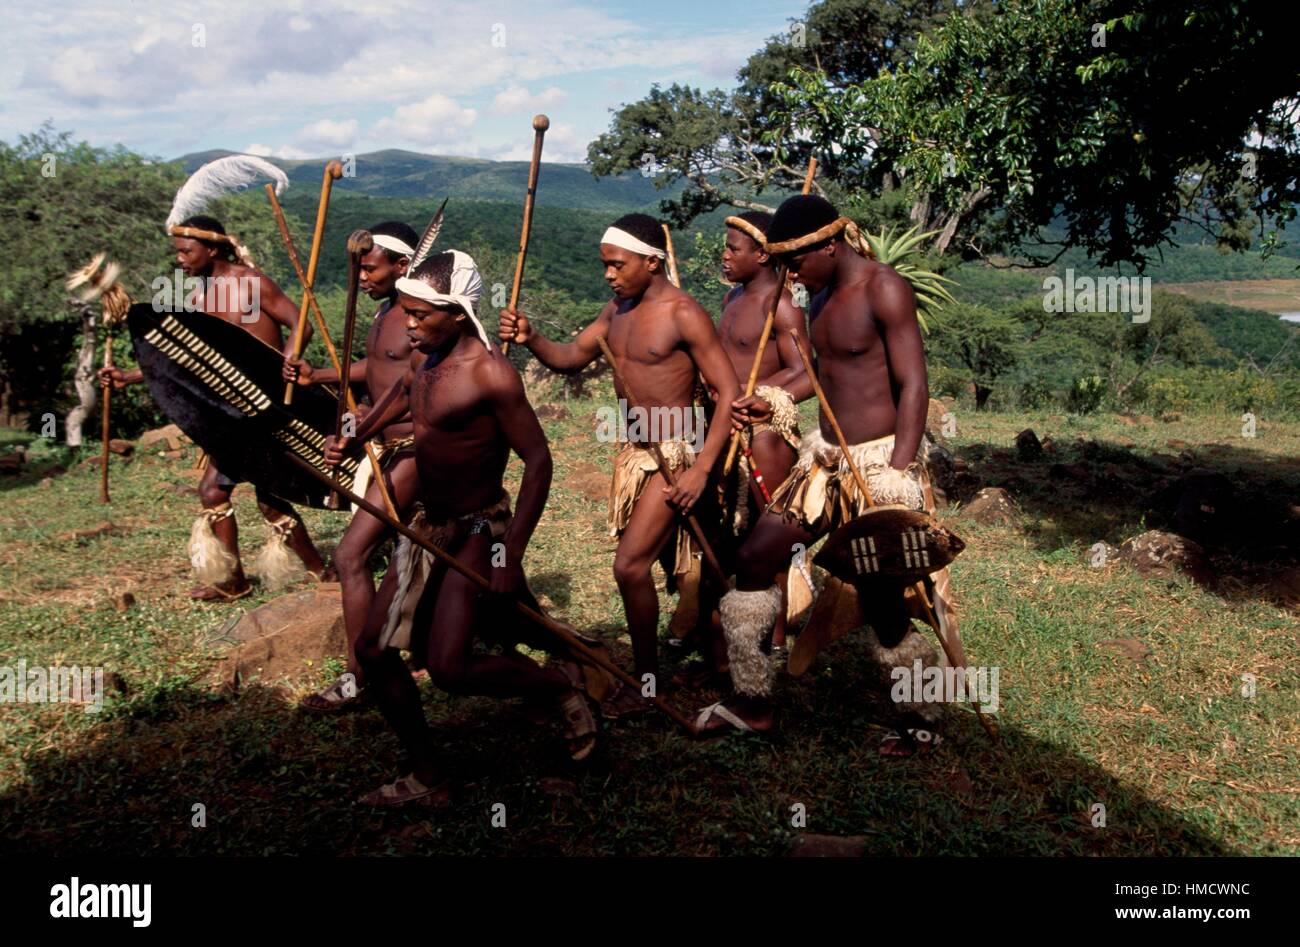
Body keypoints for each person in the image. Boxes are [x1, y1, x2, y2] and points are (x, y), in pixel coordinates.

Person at [326, 250, 597, 806]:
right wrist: (359, 435)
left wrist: (510, 554)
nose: (408, 324)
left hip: (479, 529)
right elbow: (405, 393)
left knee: (450, 668)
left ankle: (559, 686)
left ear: (456, 312)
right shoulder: (425, 356)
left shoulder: (489, 373)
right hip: (429, 526)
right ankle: (429, 777)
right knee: (375, 652)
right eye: (405, 311)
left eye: (420, 314)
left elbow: (539, 462)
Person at [697, 195, 954, 758]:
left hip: (881, 460)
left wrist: (898, 473)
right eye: (782, 263)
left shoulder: (883, 288)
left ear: (830, 244)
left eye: (796, 261)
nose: (789, 274)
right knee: (757, 557)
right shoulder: (816, 295)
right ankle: (753, 702)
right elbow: (817, 376)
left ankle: (920, 716)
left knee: (883, 598)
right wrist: (772, 402)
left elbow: (914, 383)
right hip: (825, 458)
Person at [498, 213, 740, 718]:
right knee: (662, 567)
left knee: (629, 566)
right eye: (605, 265)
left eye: (617, 264)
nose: (608, 274)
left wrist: (701, 469)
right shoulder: (616, 311)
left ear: (652, 262)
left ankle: (648, 683)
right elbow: (568, 358)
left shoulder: (683, 313)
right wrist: (531, 336)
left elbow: (729, 392)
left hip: (677, 453)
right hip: (635, 456)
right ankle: (710, 658)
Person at [101, 214, 332, 600]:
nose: (179, 259)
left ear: (211, 249)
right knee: (243, 495)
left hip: (266, 408)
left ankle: (290, 575)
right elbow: (195, 366)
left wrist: (288, 365)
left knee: (239, 493)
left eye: (186, 250)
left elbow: (301, 324)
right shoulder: (199, 298)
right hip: (230, 415)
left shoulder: (250, 282)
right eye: (177, 251)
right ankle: (271, 576)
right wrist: (127, 376)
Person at [283, 221, 423, 712]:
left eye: (370, 267)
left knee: (349, 558)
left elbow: (416, 384)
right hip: (384, 447)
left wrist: (358, 429)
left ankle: (359, 675)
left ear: (402, 265)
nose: (362, 277)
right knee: (421, 552)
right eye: (360, 269)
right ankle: (421, 643)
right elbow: (380, 368)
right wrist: (318, 375)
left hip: (414, 452)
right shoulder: (388, 311)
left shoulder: (419, 314)